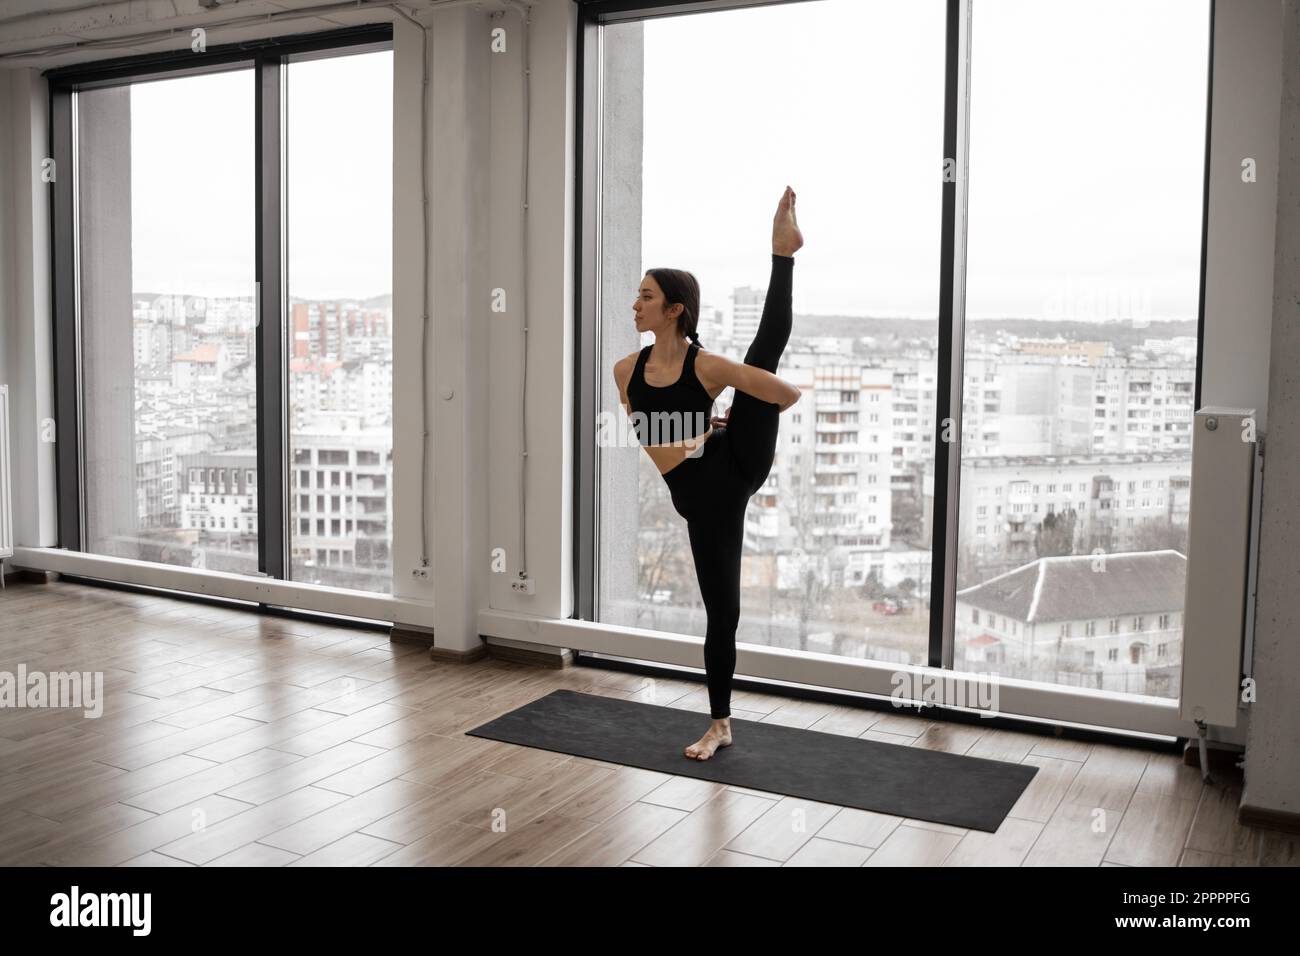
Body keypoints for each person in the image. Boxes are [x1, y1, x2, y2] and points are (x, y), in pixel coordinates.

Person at [613, 186, 804, 760]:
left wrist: (722, 427)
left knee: (764, 355)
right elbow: (652, 436)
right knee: (722, 612)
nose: (635, 304)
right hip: (693, 494)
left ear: (674, 309)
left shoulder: (709, 366)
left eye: (646, 297)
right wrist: (701, 432)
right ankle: (721, 722)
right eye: (637, 295)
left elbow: (785, 394)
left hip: (736, 467)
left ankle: (783, 252)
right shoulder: (626, 370)